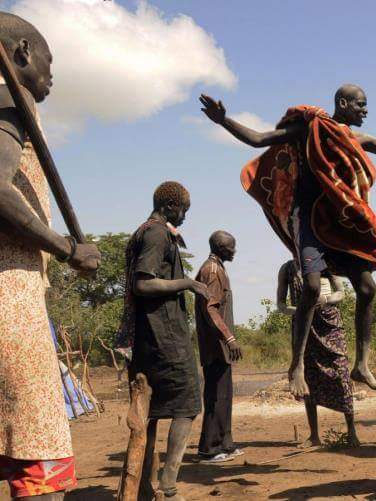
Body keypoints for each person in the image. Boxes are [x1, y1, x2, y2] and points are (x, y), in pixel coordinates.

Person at [200, 86, 376, 393]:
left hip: (339, 221)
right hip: (310, 218)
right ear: (343, 103)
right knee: (312, 287)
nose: (365, 110)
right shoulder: (308, 127)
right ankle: (296, 365)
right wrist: (223, 120)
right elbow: (258, 139)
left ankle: (361, 365)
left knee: (367, 287)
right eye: (361, 105)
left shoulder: (357, 139)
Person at [0, 12, 101, 500]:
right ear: (21, 51)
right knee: (37, 451)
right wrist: (65, 249)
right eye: (47, 58)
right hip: (8, 299)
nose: (51, 72)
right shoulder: (7, 100)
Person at [122, 181, 208, 501]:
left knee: (152, 410)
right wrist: (188, 283)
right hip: (163, 335)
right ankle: (167, 488)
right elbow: (142, 284)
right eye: (183, 210)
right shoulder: (157, 233)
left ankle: (144, 486)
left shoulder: (147, 231)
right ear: (171, 206)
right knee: (187, 404)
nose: (184, 216)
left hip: (149, 336)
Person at [277, 261, 358, 446]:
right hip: (304, 328)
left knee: (342, 374)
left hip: (330, 325)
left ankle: (352, 431)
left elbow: (341, 293)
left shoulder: (326, 263)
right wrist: (302, 310)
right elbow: (281, 305)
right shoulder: (287, 269)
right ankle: (314, 436)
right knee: (308, 376)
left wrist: (326, 300)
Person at [195, 231, 244, 463]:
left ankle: (225, 443)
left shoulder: (218, 268)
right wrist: (229, 338)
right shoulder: (212, 271)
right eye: (231, 247)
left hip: (220, 347)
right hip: (215, 346)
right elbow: (210, 309)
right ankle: (209, 449)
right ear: (220, 248)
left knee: (224, 395)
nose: (234, 251)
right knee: (215, 396)